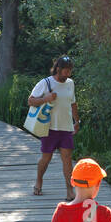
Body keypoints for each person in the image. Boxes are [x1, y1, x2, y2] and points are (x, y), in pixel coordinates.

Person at [28, 56, 79, 199]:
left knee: (67, 158)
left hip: (66, 128)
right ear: (58, 69)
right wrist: (46, 98)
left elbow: (73, 103)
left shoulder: (70, 83)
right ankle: (39, 181)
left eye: (70, 71)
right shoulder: (45, 83)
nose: (68, 74)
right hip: (49, 127)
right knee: (46, 158)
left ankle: (70, 190)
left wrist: (76, 121)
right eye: (66, 71)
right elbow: (30, 101)